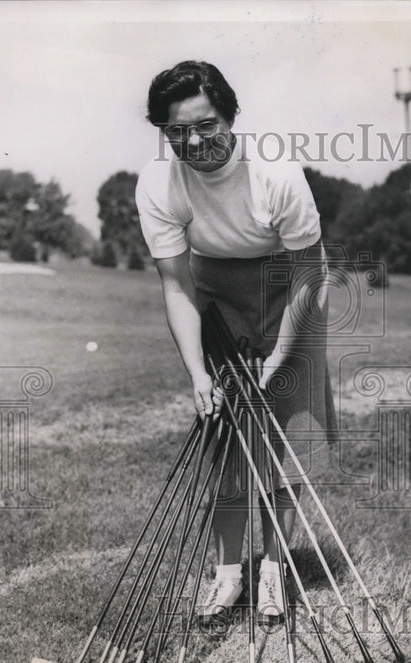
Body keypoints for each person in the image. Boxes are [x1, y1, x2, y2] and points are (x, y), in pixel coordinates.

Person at [136, 60, 337, 627]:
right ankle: (228, 574)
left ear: (230, 116)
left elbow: (309, 273)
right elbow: (176, 282)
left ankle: (273, 571)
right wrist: (199, 374)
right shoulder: (158, 181)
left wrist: (281, 352)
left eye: (207, 125)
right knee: (225, 434)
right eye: (177, 131)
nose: (194, 142)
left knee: (283, 436)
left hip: (288, 289)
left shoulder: (276, 173)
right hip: (214, 290)